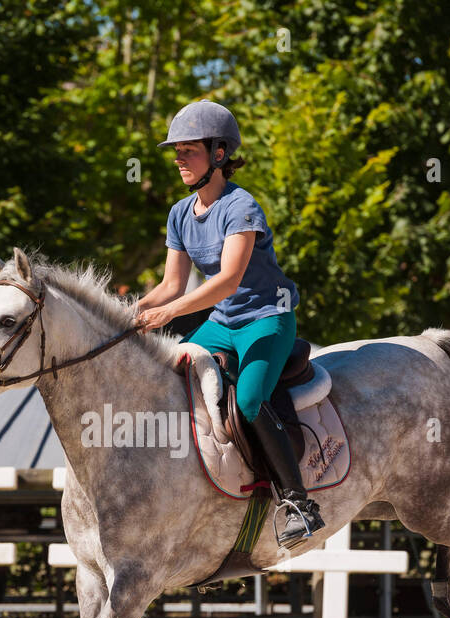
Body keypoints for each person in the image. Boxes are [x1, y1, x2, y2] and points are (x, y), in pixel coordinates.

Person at [135, 100, 325, 548]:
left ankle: (299, 502)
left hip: (266, 320)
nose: (179, 158)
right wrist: (127, 314)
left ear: (219, 154)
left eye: (189, 150)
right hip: (222, 323)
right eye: (176, 151)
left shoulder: (241, 207)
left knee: (252, 400)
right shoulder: (180, 213)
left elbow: (227, 280)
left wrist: (169, 314)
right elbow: (170, 285)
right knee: (169, 377)